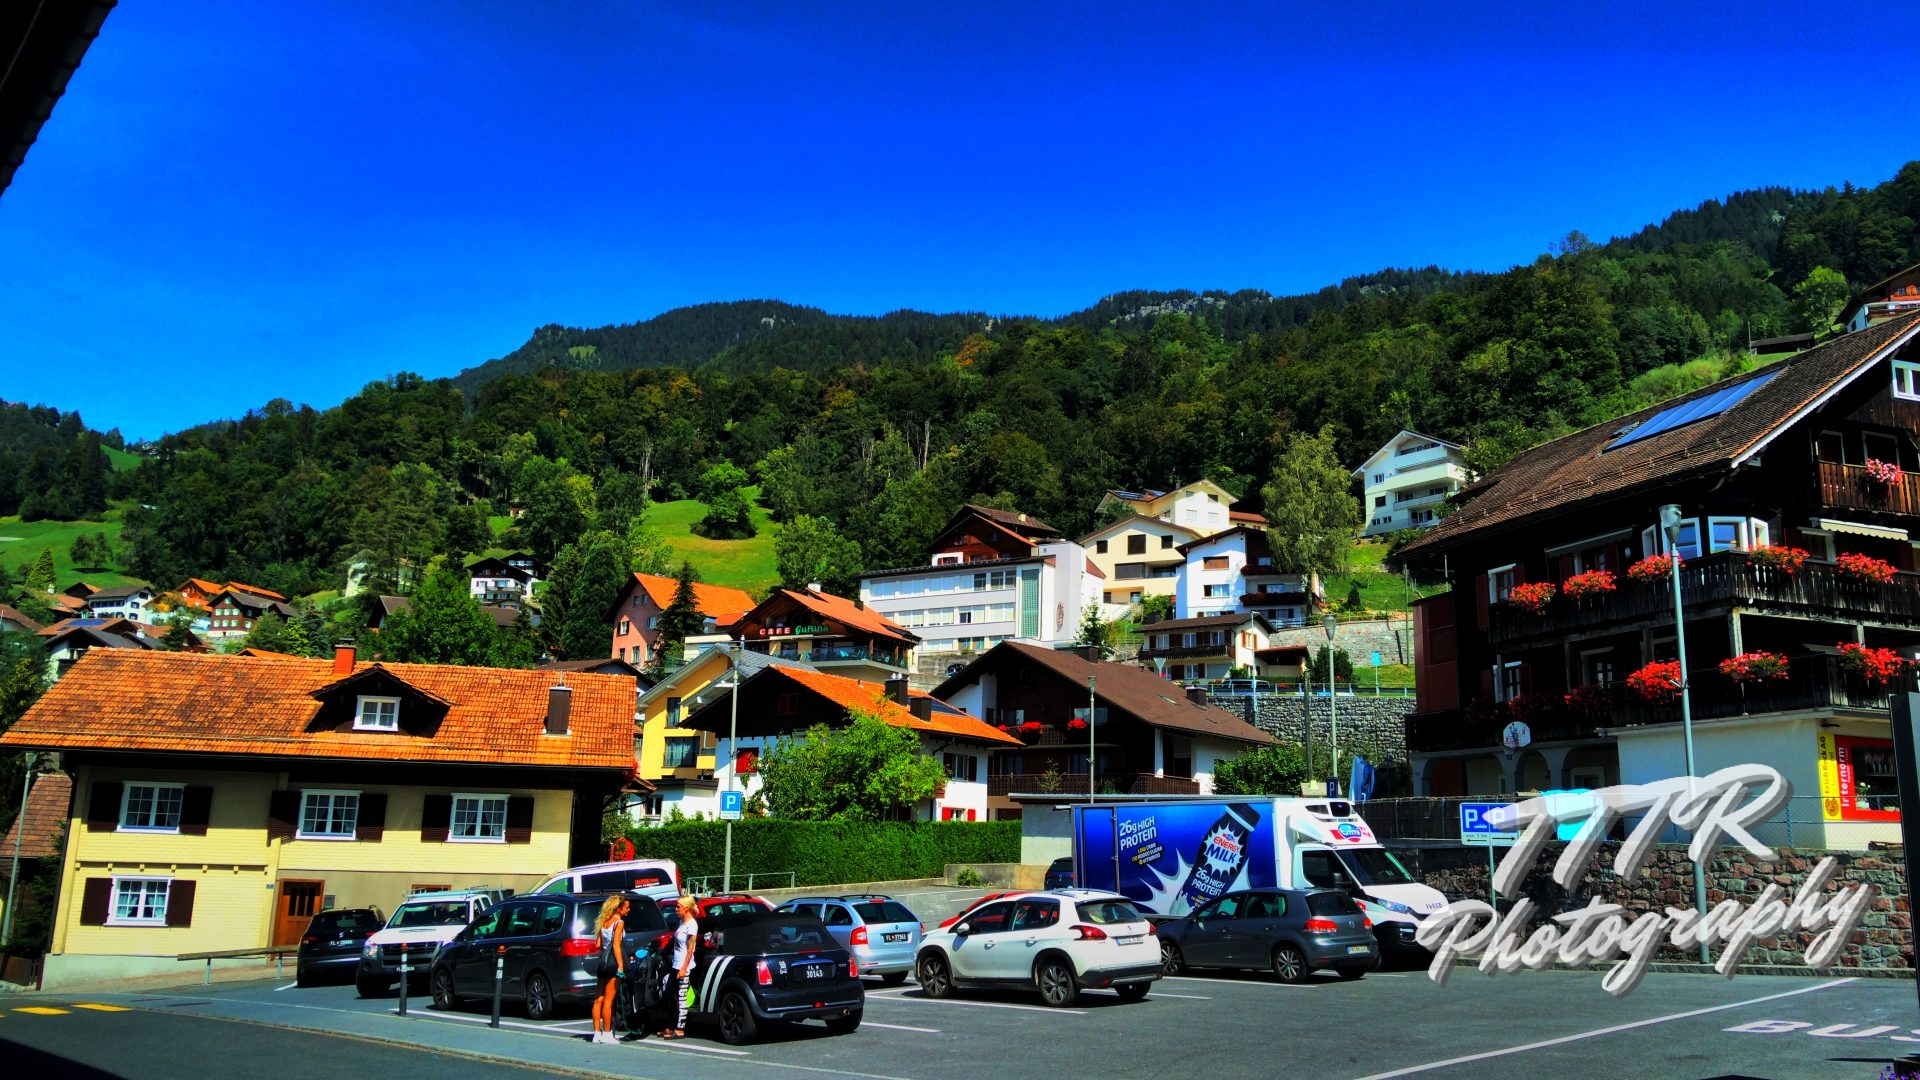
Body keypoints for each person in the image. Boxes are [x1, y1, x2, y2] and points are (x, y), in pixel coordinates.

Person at [590, 893, 629, 1045]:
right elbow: (616, 946)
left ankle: (596, 1033)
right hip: (613, 964)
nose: (628, 910)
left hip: (602, 964)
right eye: (626, 907)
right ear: (618, 909)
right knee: (609, 1001)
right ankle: (607, 1034)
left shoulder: (603, 921)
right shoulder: (619, 923)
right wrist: (620, 965)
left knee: (598, 999)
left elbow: (598, 945)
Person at [663, 894, 699, 1039]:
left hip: (685, 965)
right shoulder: (682, 923)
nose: (676, 909)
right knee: (670, 994)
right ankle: (670, 1025)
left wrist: (684, 968)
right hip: (676, 964)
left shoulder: (692, 925)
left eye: (678, 907)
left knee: (682, 996)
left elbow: (691, 949)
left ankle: (680, 1029)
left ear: (686, 908)